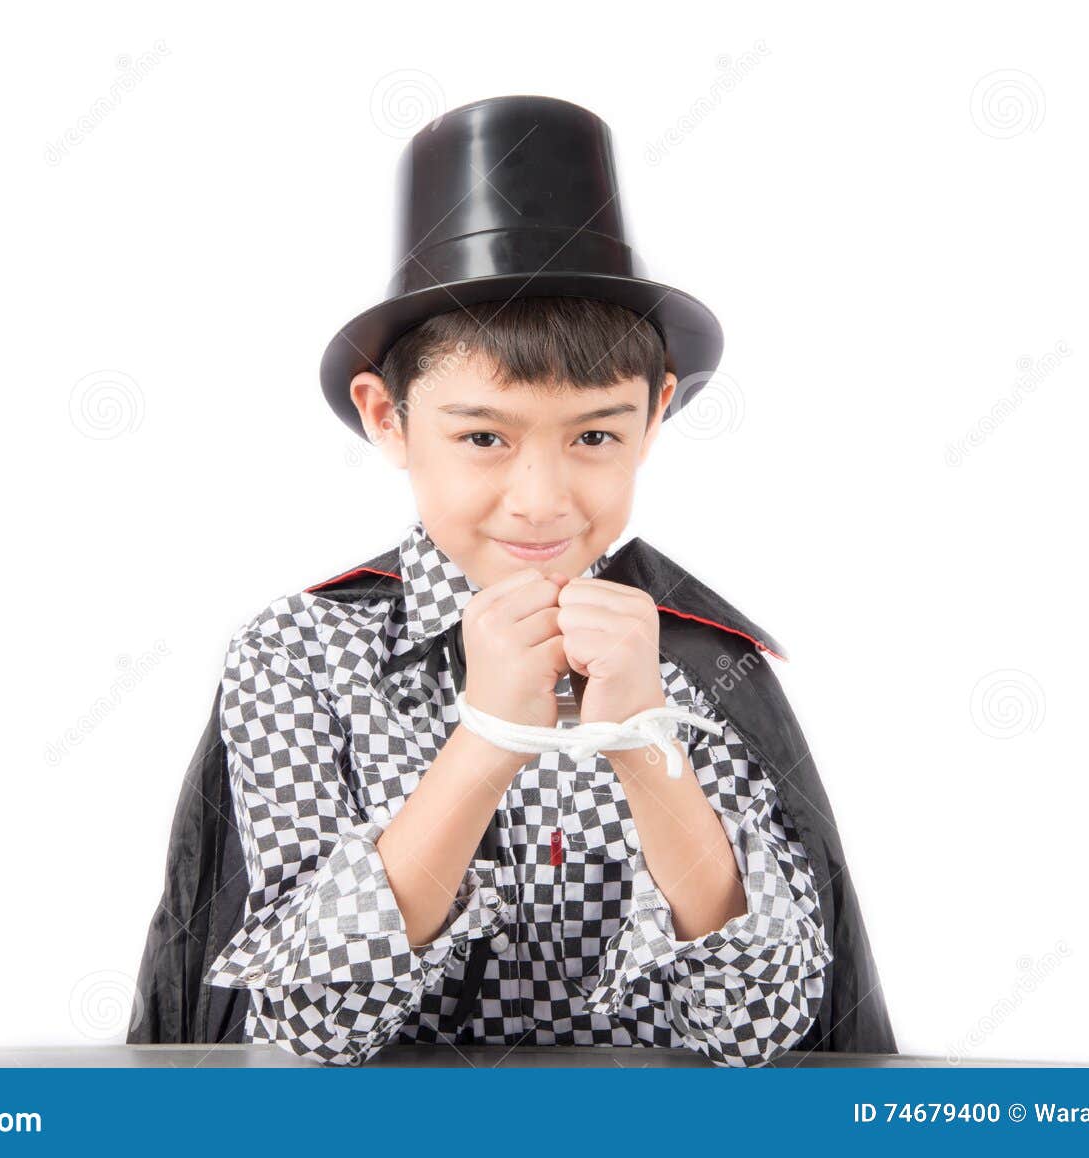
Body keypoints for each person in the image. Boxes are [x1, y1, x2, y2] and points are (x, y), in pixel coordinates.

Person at [128, 95, 895, 1067]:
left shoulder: (707, 665)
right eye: (484, 437)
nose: (540, 500)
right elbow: (312, 1023)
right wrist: (488, 739)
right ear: (387, 417)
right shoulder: (300, 654)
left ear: (655, 414)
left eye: (595, 435)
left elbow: (759, 1029)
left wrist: (644, 738)